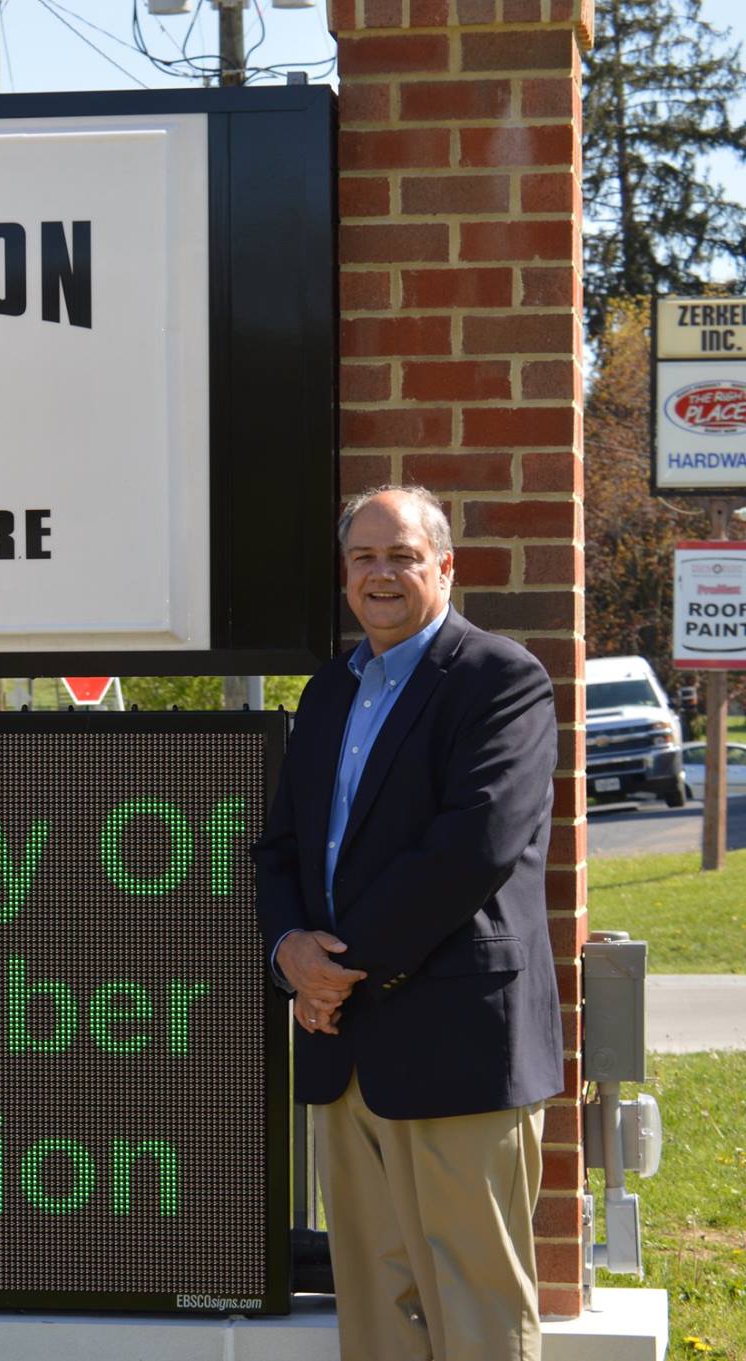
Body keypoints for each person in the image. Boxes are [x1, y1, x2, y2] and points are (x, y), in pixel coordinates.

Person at [254, 485, 562, 1361]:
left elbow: (472, 847)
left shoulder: (499, 679)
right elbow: (276, 850)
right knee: (375, 1308)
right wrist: (290, 953)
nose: (382, 574)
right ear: (344, 575)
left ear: (445, 567)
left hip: (456, 1045)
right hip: (342, 1050)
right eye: (364, 558)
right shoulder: (326, 694)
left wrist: (337, 968)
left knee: (476, 1304)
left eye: (403, 556)